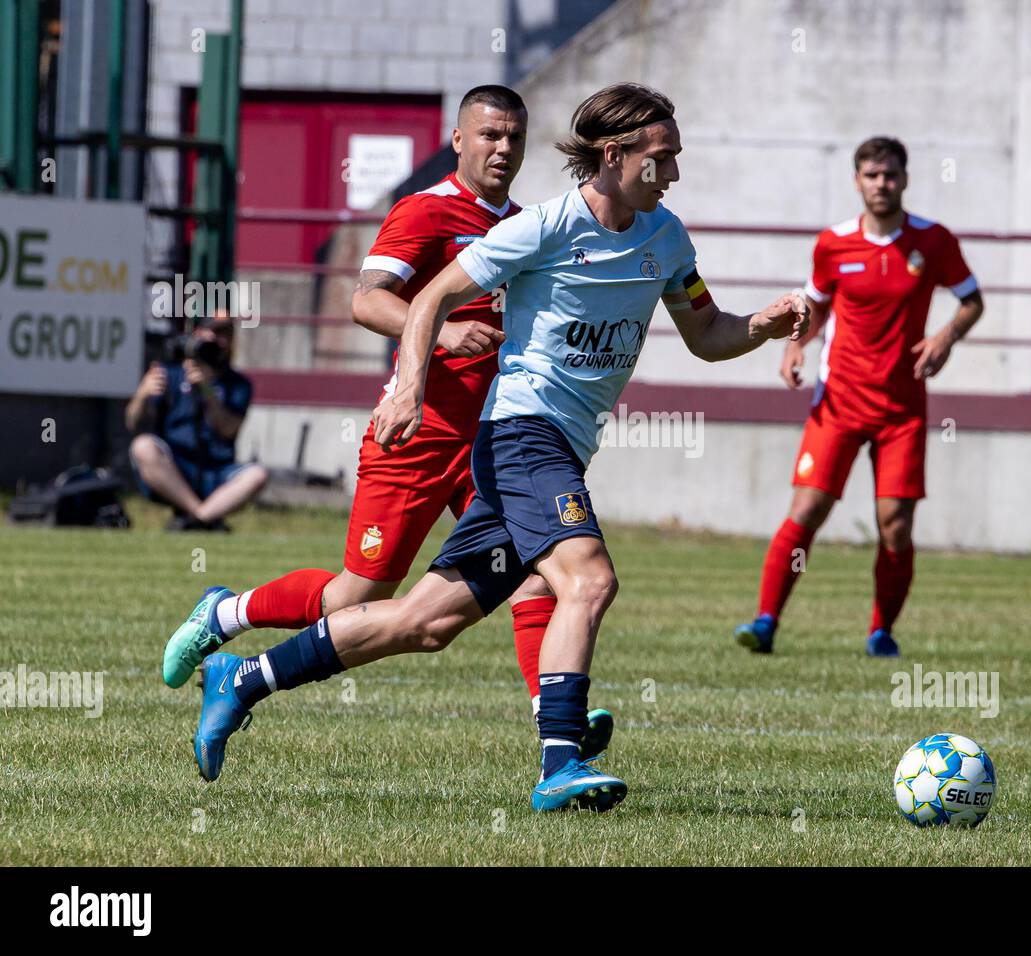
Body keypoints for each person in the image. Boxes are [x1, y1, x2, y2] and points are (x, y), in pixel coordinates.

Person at [185, 82, 808, 812]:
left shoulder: (666, 238)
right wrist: (411, 384)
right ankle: (559, 763)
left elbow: (707, 335)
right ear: (613, 156)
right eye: (661, 159)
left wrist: (763, 324)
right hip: (521, 434)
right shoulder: (541, 227)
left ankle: (245, 678)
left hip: (561, 449)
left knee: (426, 623)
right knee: (588, 578)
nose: (672, 174)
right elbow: (429, 298)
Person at [160, 86, 614, 753]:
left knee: (539, 573)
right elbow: (367, 302)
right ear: (458, 140)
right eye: (489, 135)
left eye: (514, 137)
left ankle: (557, 723)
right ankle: (227, 612)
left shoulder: (524, 222)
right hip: (420, 434)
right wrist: (441, 337)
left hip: (495, 440)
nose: (503, 149)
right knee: (358, 595)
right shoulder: (426, 211)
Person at [733, 136, 984, 657]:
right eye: (871, 176)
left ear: (905, 179)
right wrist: (794, 347)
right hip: (839, 401)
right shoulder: (833, 244)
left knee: (895, 525)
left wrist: (944, 337)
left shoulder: (933, 242)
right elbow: (816, 307)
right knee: (807, 509)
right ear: (857, 181)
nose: (881, 184)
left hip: (902, 409)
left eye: (890, 175)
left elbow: (972, 301)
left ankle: (880, 632)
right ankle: (764, 621)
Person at [125, 312, 267, 531]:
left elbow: (228, 430)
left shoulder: (238, 384)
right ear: (198, 333)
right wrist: (142, 395)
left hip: (218, 471)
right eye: (216, 332)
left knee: (257, 475)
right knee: (143, 446)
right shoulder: (170, 372)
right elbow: (132, 422)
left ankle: (198, 518)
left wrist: (207, 390)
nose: (221, 340)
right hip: (177, 470)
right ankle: (200, 514)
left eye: (227, 333)